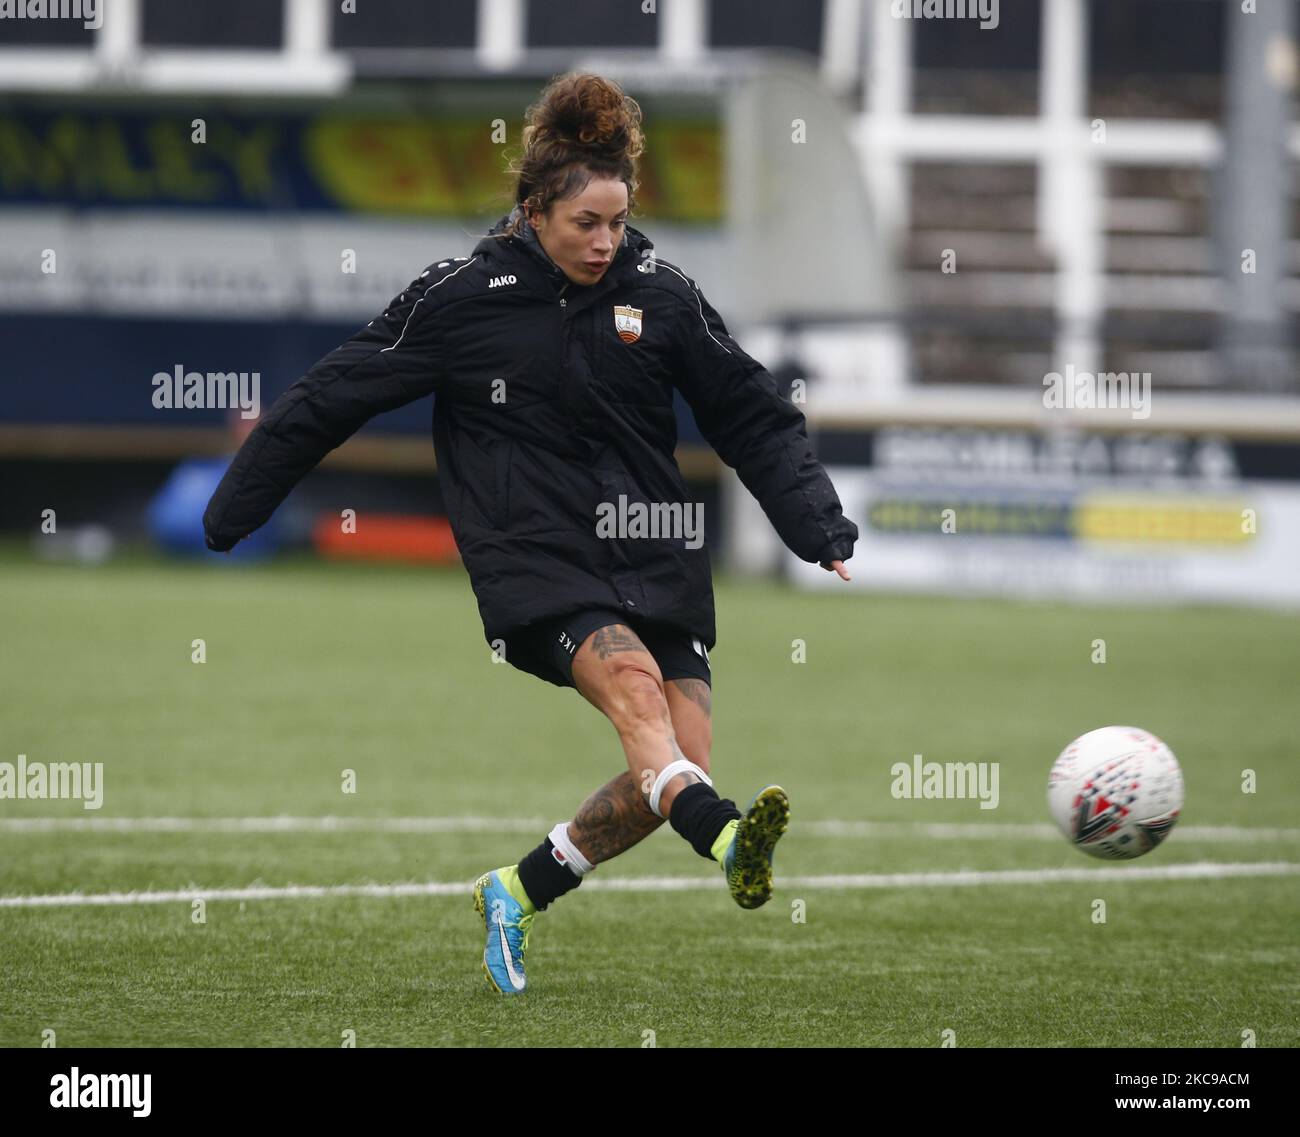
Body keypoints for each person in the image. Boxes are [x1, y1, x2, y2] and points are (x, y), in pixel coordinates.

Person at [203, 72, 858, 995]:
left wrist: (816, 522)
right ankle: (728, 837)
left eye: (618, 222)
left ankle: (516, 887)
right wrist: (236, 508)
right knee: (639, 700)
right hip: (535, 556)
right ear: (534, 211)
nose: (604, 242)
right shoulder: (462, 298)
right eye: (584, 223)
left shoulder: (662, 294)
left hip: (654, 550)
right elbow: (330, 396)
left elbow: (753, 413)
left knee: (669, 768)